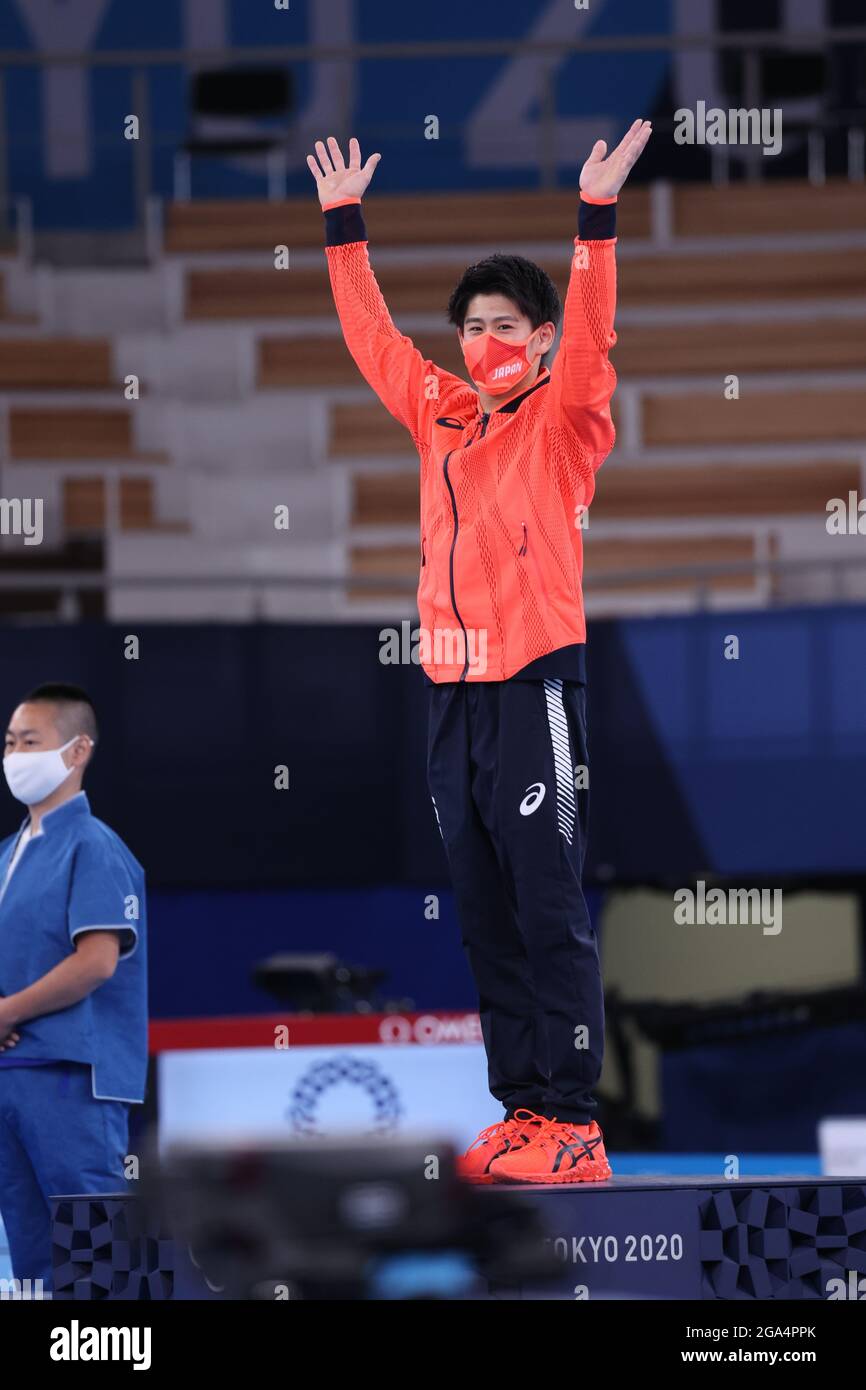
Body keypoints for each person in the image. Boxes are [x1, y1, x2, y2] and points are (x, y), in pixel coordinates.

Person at [308, 124, 650, 1183]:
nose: (484, 338)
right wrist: (341, 229)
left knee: (546, 902)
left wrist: (593, 222)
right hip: (449, 690)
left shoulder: (561, 420)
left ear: (540, 338)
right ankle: (519, 1110)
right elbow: (374, 342)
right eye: (471, 324)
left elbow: (594, 343)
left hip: (533, 681)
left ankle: (574, 1122)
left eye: (506, 324)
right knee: (484, 909)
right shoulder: (442, 417)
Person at [0, 683, 147, 1289]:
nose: (14, 754)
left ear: (77, 750)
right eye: (8, 742)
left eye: (29, 741)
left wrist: (6, 1011)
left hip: (72, 1076)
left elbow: (97, 963)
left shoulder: (95, 846)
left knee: (93, 1253)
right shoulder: (9, 854)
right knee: (33, 1257)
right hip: (13, 1072)